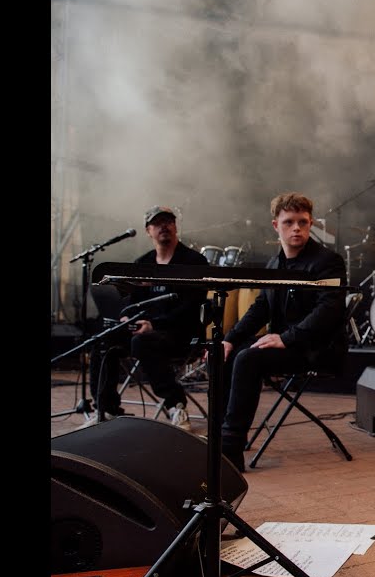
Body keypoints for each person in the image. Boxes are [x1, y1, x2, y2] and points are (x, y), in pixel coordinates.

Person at [218, 192, 347, 471]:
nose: (297, 228)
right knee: (227, 354)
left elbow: (328, 312)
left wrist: (286, 338)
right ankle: (222, 437)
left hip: (316, 349)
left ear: (311, 223)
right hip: (287, 345)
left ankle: (230, 449)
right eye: (289, 222)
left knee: (248, 358)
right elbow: (260, 308)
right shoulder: (275, 265)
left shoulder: (328, 262)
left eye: (303, 222)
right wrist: (229, 339)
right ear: (276, 225)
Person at [90, 205, 210, 427]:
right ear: (148, 230)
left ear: (175, 226)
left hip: (182, 334)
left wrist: (154, 324)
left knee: (143, 341)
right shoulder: (142, 263)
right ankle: (105, 409)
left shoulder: (193, 261)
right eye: (157, 223)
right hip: (144, 331)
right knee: (103, 339)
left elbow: (192, 306)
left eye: (168, 221)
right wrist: (128, 319)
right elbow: (133, 303)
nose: (164, 226)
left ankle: (176, 405)